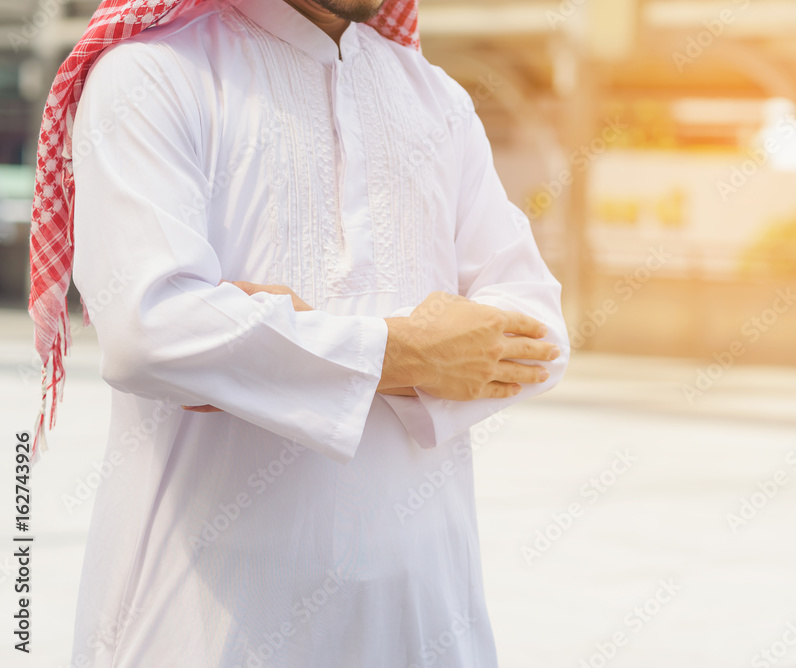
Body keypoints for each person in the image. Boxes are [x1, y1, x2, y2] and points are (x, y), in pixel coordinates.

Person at [28, 0, 569, 665]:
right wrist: (411, 353)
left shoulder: (438, 103)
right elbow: (150, 332)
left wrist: (270, 345)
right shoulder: (153, 74)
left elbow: (540, 334)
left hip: (425, 622)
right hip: (206, 630)